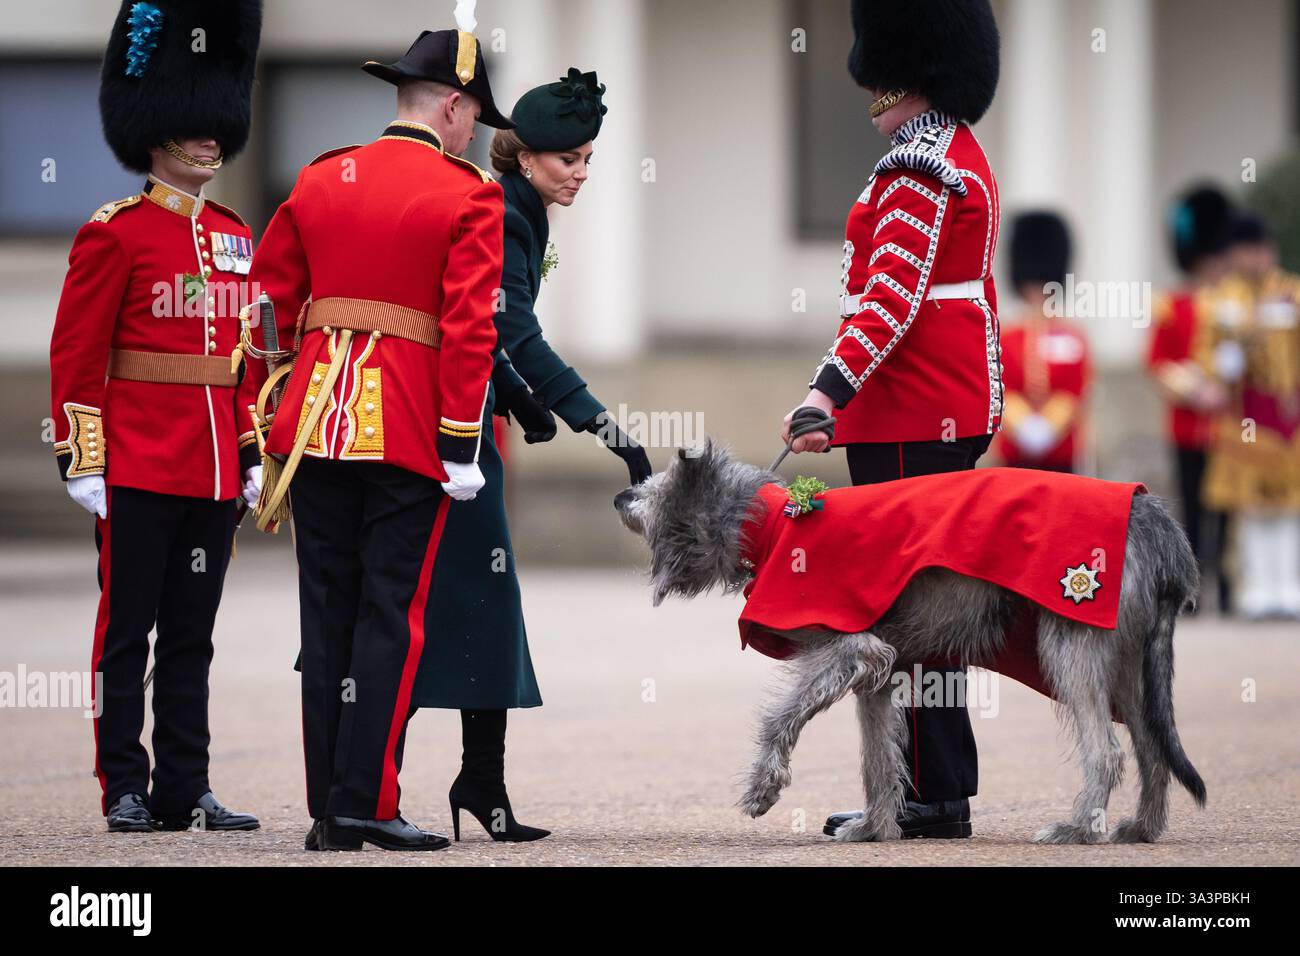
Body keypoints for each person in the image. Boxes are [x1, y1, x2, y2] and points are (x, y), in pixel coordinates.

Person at [244, 24, 513, 851]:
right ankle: (367, 798)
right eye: (475, 117)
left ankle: (330, 807)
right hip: (404, 431)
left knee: (325, 616)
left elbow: (264, 313)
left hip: (313, 428)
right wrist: (463, 442)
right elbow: (468, 330)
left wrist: (260, 428)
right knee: (390, 618)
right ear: (455, 107)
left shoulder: (322, 177)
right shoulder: (471, 194)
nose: (475, 133)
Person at [409, 67, 651, 843]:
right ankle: (376, 789)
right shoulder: (506, 209)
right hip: (447, 430)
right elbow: (510, 331)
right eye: (568, 161)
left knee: (476, 601)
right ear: (526, 157)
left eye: (587, 160)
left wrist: (519, 396)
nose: (581, 174)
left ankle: (478, 780)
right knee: (442, 602)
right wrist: (603, 427)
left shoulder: (522, 207)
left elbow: (499, 329)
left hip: (474, 413)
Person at [782, 0, 1002, 839]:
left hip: (912, 409)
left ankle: (926, 794)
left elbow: (890, 300)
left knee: (908, 608)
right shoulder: (947, 151)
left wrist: (826, 395)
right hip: (922, 404)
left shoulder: (918, 166)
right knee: (922, 607)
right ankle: (930, 789)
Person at [48, 0, 263, 834]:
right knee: (125, 636)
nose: (211, 139)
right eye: (196, 127)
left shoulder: (237, 237)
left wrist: (250, 449)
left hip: (212, 473)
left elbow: (246, 359)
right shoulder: (116, 235)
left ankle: (185, 785)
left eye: (218, 127)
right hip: (137, 464)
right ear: (157, 132)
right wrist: (84, 457)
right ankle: (124, 787)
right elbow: (77, 356)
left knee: (191, 640)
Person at [1198, 212, 1300, 618]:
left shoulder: (1293, 292)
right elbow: (1208, 354)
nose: (1255, 258)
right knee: (1250, 507)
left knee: (1290, 505)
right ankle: (1255, 586)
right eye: (1247, 250)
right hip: (1245, 413)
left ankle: (1288, 585)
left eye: (1260, 250)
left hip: (1288, 412)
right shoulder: (1221, 299)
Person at [1146, 185, 1235, 613]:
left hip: (1230, 424)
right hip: (1186, 422)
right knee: (1193, 511)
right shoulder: (1173, 304)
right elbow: (1158, 360)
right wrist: (1194, 388)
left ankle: (1231, 589)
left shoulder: (1234, 304)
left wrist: (1223, 390)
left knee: (1229, 510)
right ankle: (1196, 594)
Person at [995, 212, 1091, 473]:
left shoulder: (1071, 336)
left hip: (1061, 453)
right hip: (1015, 452)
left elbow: (1075, 389)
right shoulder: (1005, 335)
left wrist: (1050, 426)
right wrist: (1022, 424)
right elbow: (1001, 388)